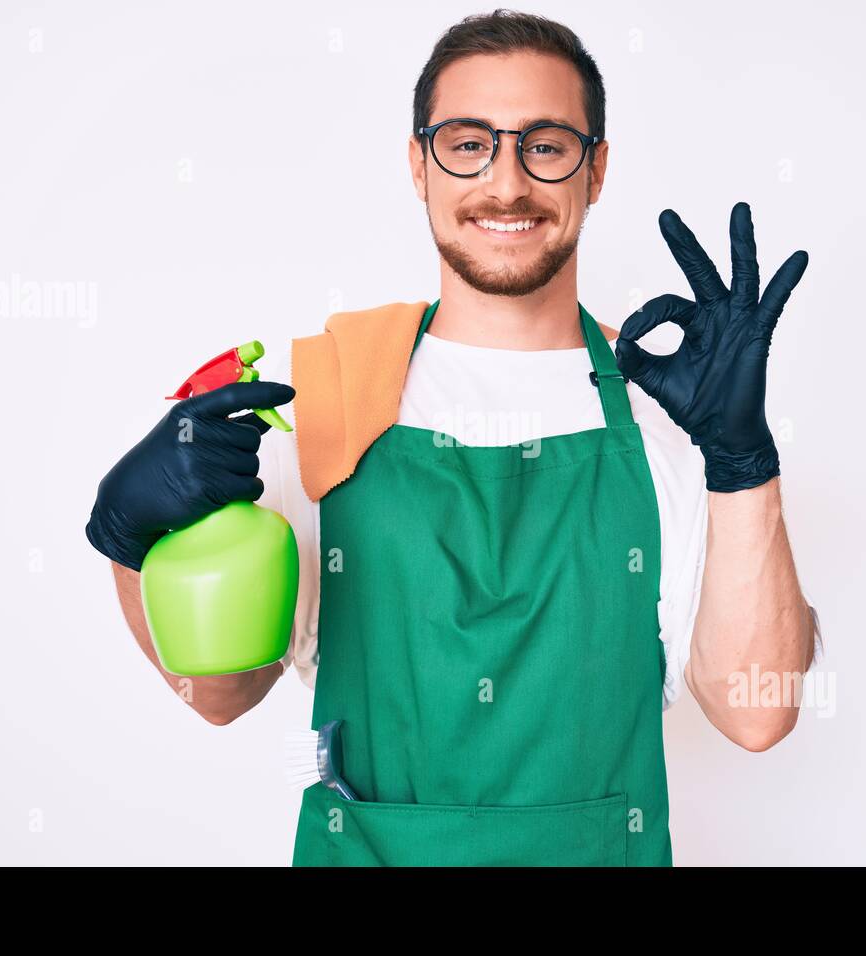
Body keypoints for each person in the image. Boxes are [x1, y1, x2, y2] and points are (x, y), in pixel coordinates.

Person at [86, 10, 821, 867]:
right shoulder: (321, 397)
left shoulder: (671, 416)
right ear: (418, 163)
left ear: (598, 168)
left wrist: (742, 463)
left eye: (545, 145)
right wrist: (127, 542)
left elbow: (755, 712)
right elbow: (219, 694)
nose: (506, 183)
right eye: (468, 143)